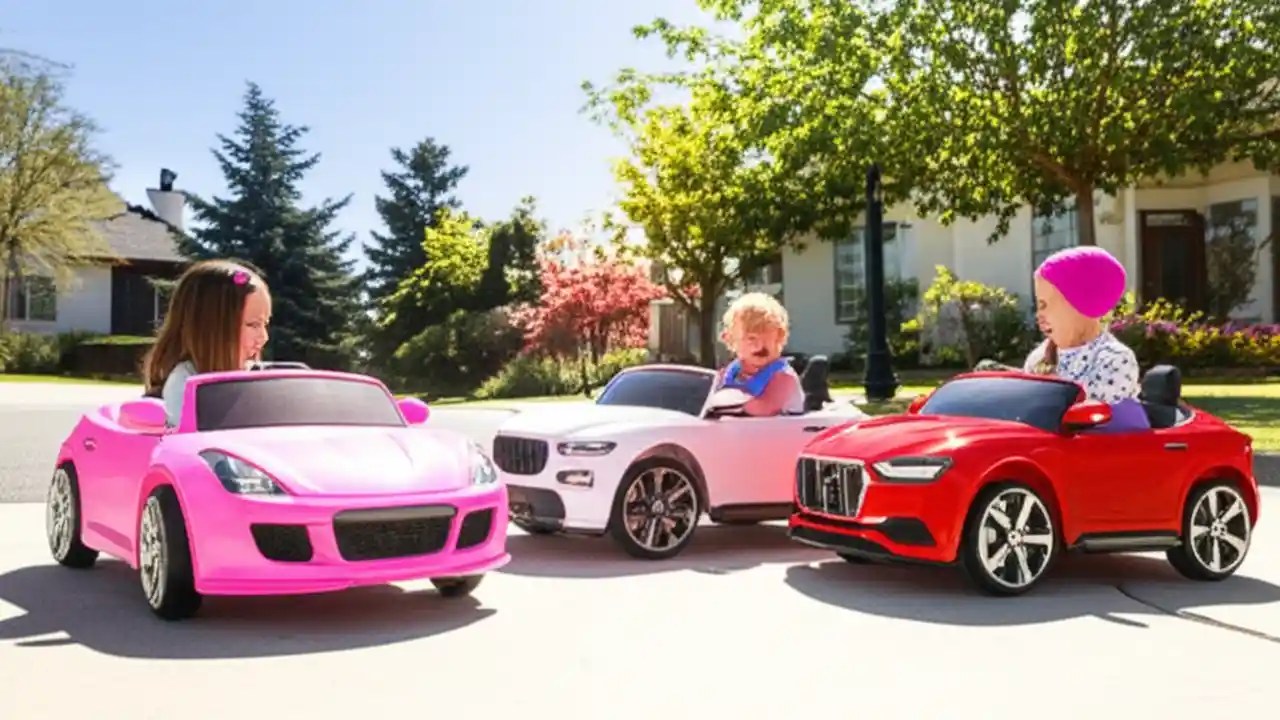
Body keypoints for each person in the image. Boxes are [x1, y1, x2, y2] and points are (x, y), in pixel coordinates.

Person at [1023, 246, 1149, 431]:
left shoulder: (1114, 359)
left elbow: (1081, 418)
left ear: (1078, 304)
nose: (1038, 315)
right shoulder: (1039, 358)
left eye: (1044, 305)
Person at [141, 260, 272, 427]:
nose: (264, 337)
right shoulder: (184, 387)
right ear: (212, 328)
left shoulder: (256, 378)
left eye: (265, 324)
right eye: (253, 325)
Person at [713, 292, 805, 416]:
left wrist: (721, 403)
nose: (760, 346)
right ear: (730, 339)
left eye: (767, 339)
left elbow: (765, 408)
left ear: (780, 337)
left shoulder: (783, 377)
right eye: (751, 338)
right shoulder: (729, 374)